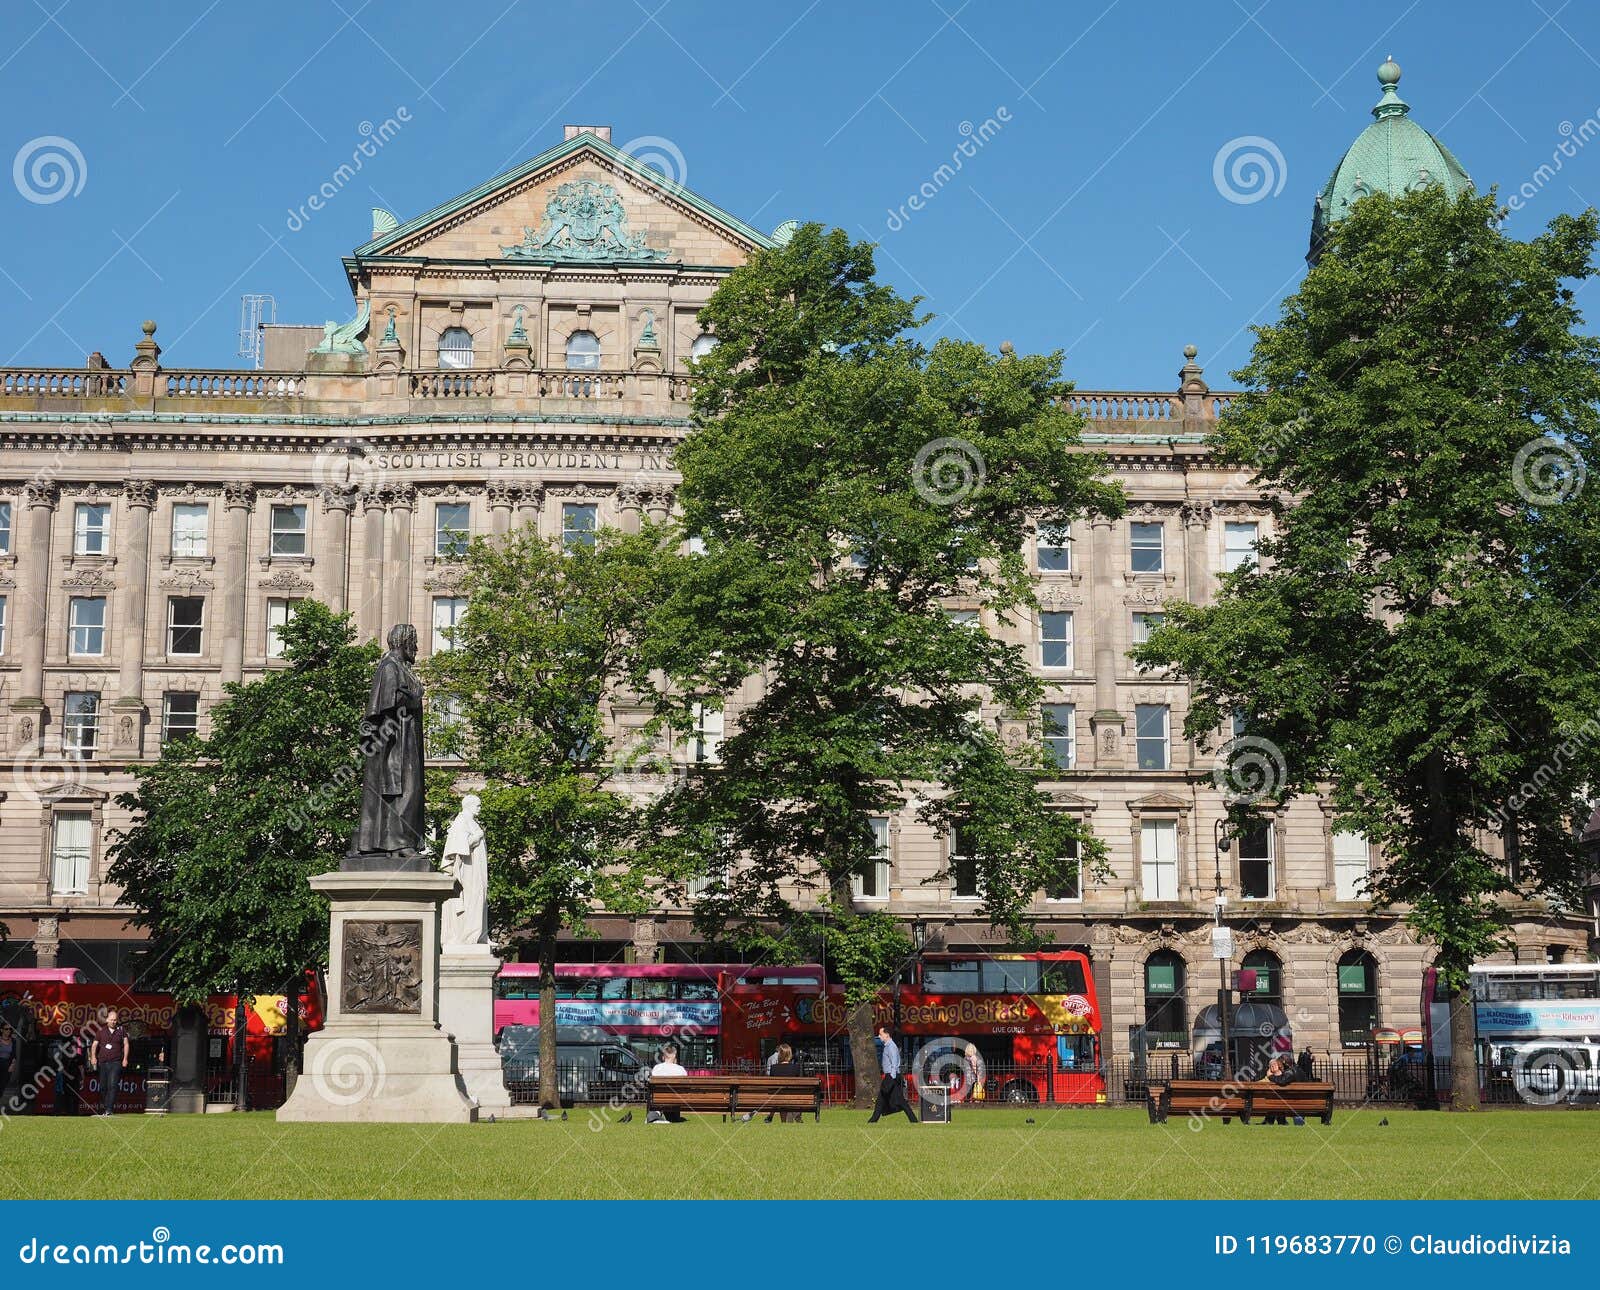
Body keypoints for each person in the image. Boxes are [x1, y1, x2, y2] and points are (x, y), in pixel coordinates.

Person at [866, 1024, 917, 1124]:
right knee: (889, 1099)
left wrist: (891, 1078)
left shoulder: (891, 1047)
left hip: (891, 1076)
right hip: (891, 1076)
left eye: (880, 1034)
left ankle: (874, 1119)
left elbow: (894, 1063)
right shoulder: (888, 1046)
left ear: (887, 1035)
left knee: (885, 1098)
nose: (879, 1036)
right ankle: (874, 1119)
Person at [92, 1010, 130, 1116]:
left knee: (112, 1085)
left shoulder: (121, 1031)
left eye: (115, 1020)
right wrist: (93, 1057)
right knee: (103, 1087)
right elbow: (94, 1045)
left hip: (116, 1062)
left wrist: (125, 1058)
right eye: (111, 1020)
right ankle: (106, 1107)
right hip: (103, 1062)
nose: (113, 1022)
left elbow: (126, 1044)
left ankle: (109, 1109)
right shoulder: (101, 1031)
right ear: (107, 1020)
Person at [647, 1042, 687, 1123]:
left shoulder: (657, 1068)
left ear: (663, 1057)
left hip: (659, 1100)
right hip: (676, 1100)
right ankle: (672, 1117)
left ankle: (655, 1115)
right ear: (674, 1056)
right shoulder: (681, 1069)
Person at [766, 1042, 802, 1123]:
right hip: (793, 1098)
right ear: (790, 1055)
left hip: (778, 1098)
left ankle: (783, 1122)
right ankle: (796, 1115)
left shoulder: (773, 1068)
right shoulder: (796, 1068)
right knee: (789, 1096)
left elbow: (772, 1086)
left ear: (779, 1055)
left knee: (780, 1098)